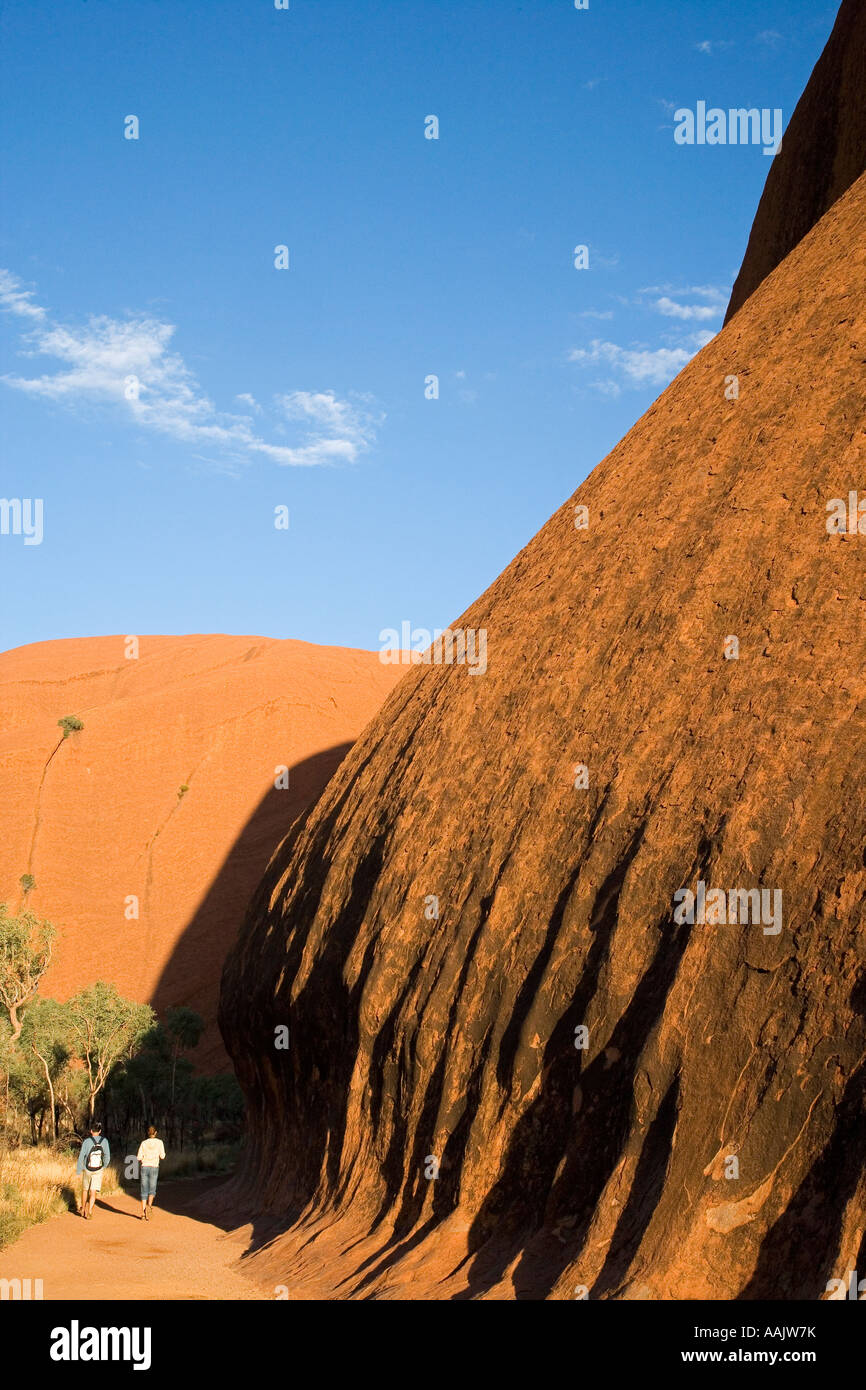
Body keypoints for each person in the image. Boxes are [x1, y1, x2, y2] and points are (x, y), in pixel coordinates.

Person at [76, 1122, 110, 1220]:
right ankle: (90, 1211)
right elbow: (107, 1156)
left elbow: (81, 1156)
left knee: (85, 1189)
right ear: (100, 1131)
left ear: (91, 1131)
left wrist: (79, 1170)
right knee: (93, 1191)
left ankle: (83, 1210)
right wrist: (104, 1166)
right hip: (98, 1168)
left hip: (87, 1168)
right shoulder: (105, 1141)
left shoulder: (86, 1141)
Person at [136, 1125, 166, 1221]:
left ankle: (143, 1212)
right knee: (152, 1189)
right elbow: (162, 1156)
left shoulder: (143, 1143)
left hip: (145, 1166)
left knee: (144, 1189)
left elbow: (138, 1157)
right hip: (154, 1166)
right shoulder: (160, 1142)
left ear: (148, 1133)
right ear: (155, 1133)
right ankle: (149, 1206)